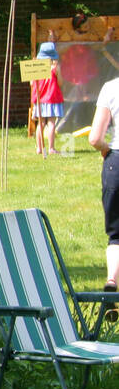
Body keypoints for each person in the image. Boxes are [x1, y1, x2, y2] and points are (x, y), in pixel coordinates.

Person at [87, 76, 119, 295]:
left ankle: (112, 280)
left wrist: (106, 149)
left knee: (116, 235)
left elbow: (95, 138)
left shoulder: (111, 87)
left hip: (116, 162)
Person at [30, 42, 64, 156]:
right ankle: (51, 148)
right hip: (52, 98)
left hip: (40, 99)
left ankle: (39, 148)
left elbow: (31, 83)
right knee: (51, 123)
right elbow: (60, 83)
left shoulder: (36, 67)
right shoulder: (55, 67)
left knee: (40, 124)